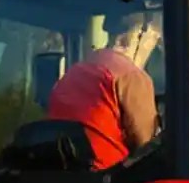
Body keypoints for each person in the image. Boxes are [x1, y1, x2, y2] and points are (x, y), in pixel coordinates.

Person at [44, 9, 162, 170]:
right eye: (153, 41)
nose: (152, 50)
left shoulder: (72, 73)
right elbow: (147, 148)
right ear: (136, 36)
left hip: (63, 178)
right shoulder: (131, 76)